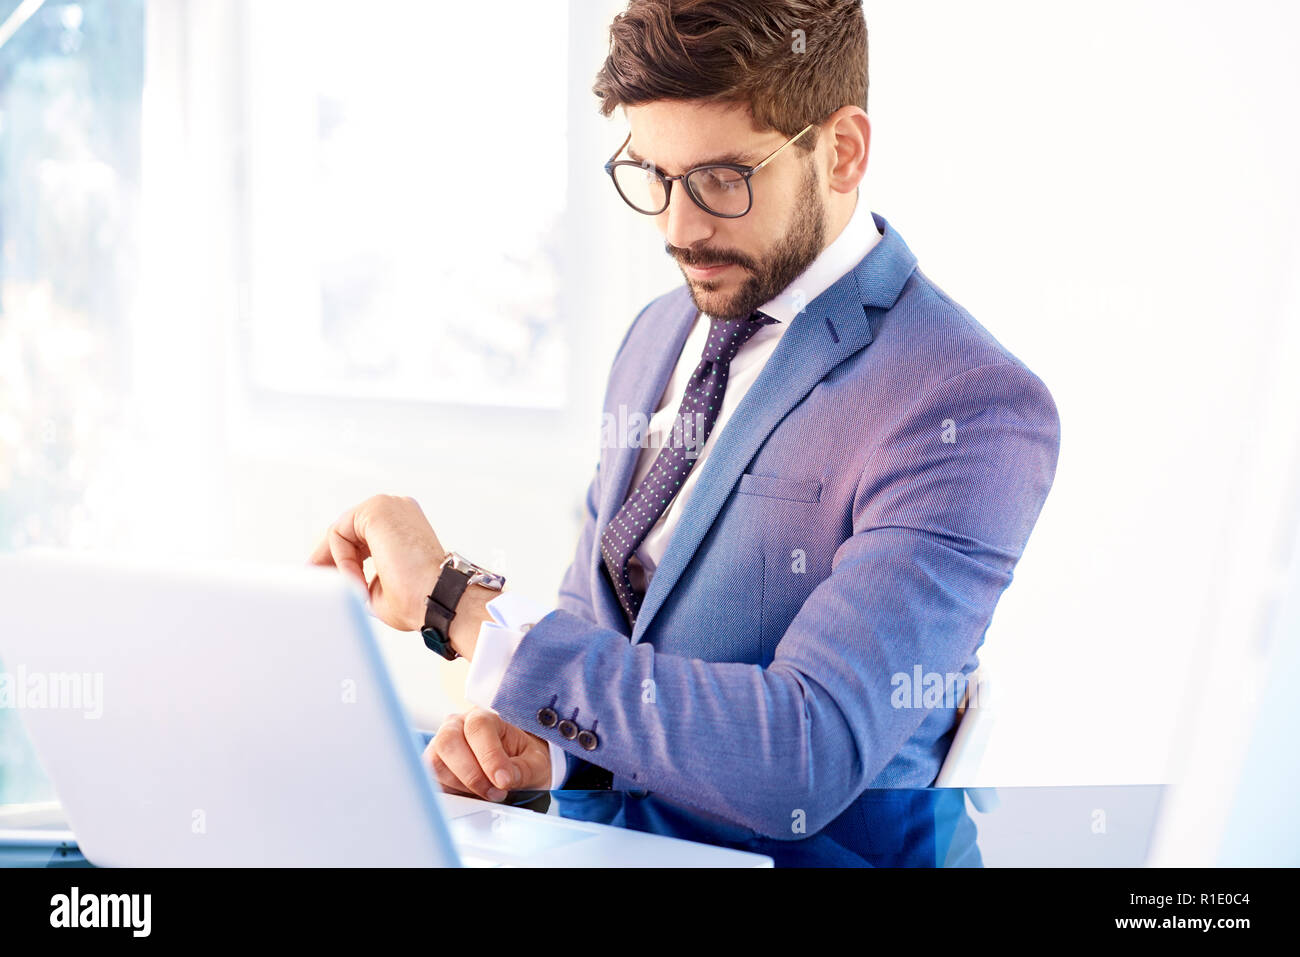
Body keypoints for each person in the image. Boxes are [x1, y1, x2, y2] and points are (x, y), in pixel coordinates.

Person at [309, 0, 1058, 866]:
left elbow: (802, 758)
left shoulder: (965, 402)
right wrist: (549, 752)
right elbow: (605, 637)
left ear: (842, 150)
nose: (678, 228)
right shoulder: (656, 335)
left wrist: (459, 603)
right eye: (653, 175)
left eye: (722, 179)